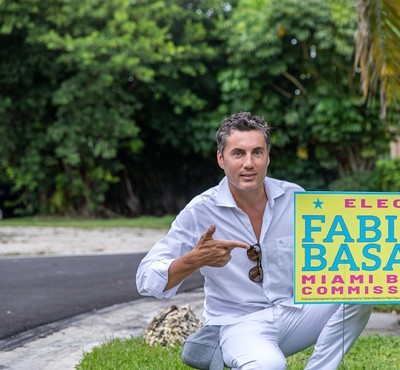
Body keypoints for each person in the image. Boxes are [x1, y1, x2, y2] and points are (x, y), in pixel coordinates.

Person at [136, 112, 372, 370]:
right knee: (269, 366)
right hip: (238, 324)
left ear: (268, 157)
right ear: (221, 159)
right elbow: (146, 279)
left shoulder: (295, 197)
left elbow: (333, 254)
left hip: (295, 312)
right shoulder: (200, 211)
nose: (249, 163)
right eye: (238, 153)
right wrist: (193, 260)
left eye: (257, 152)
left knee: (362, 290)